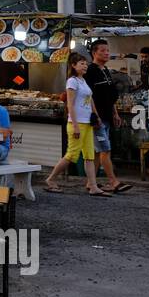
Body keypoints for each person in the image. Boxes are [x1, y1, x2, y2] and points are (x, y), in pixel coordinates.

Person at [43, 53, 106, 195]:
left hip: (87, 124)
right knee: (71, 155)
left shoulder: (83, 81)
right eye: (82, 63)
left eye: (86, 63)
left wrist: (96, 115)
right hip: (76, 124)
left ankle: (93, 185)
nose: (85, 66)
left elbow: (90, 100)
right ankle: (50, 179)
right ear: (73, 65)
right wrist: (76, 125)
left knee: (89, 155)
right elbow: (70, 105)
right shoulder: (72, 81)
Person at [83, 39, 131, 193]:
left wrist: (115, 113)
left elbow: (109, 96)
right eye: (102, 50)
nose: (106, 53)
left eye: (107, 50)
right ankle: (114, 181)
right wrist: (95, 116)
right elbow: (89, 97)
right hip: (97, 118)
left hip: (107, 116)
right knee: (105, 149)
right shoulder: (90, 71)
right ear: (94, 53)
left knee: (98, 152)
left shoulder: (106, 70)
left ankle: (91, 183)